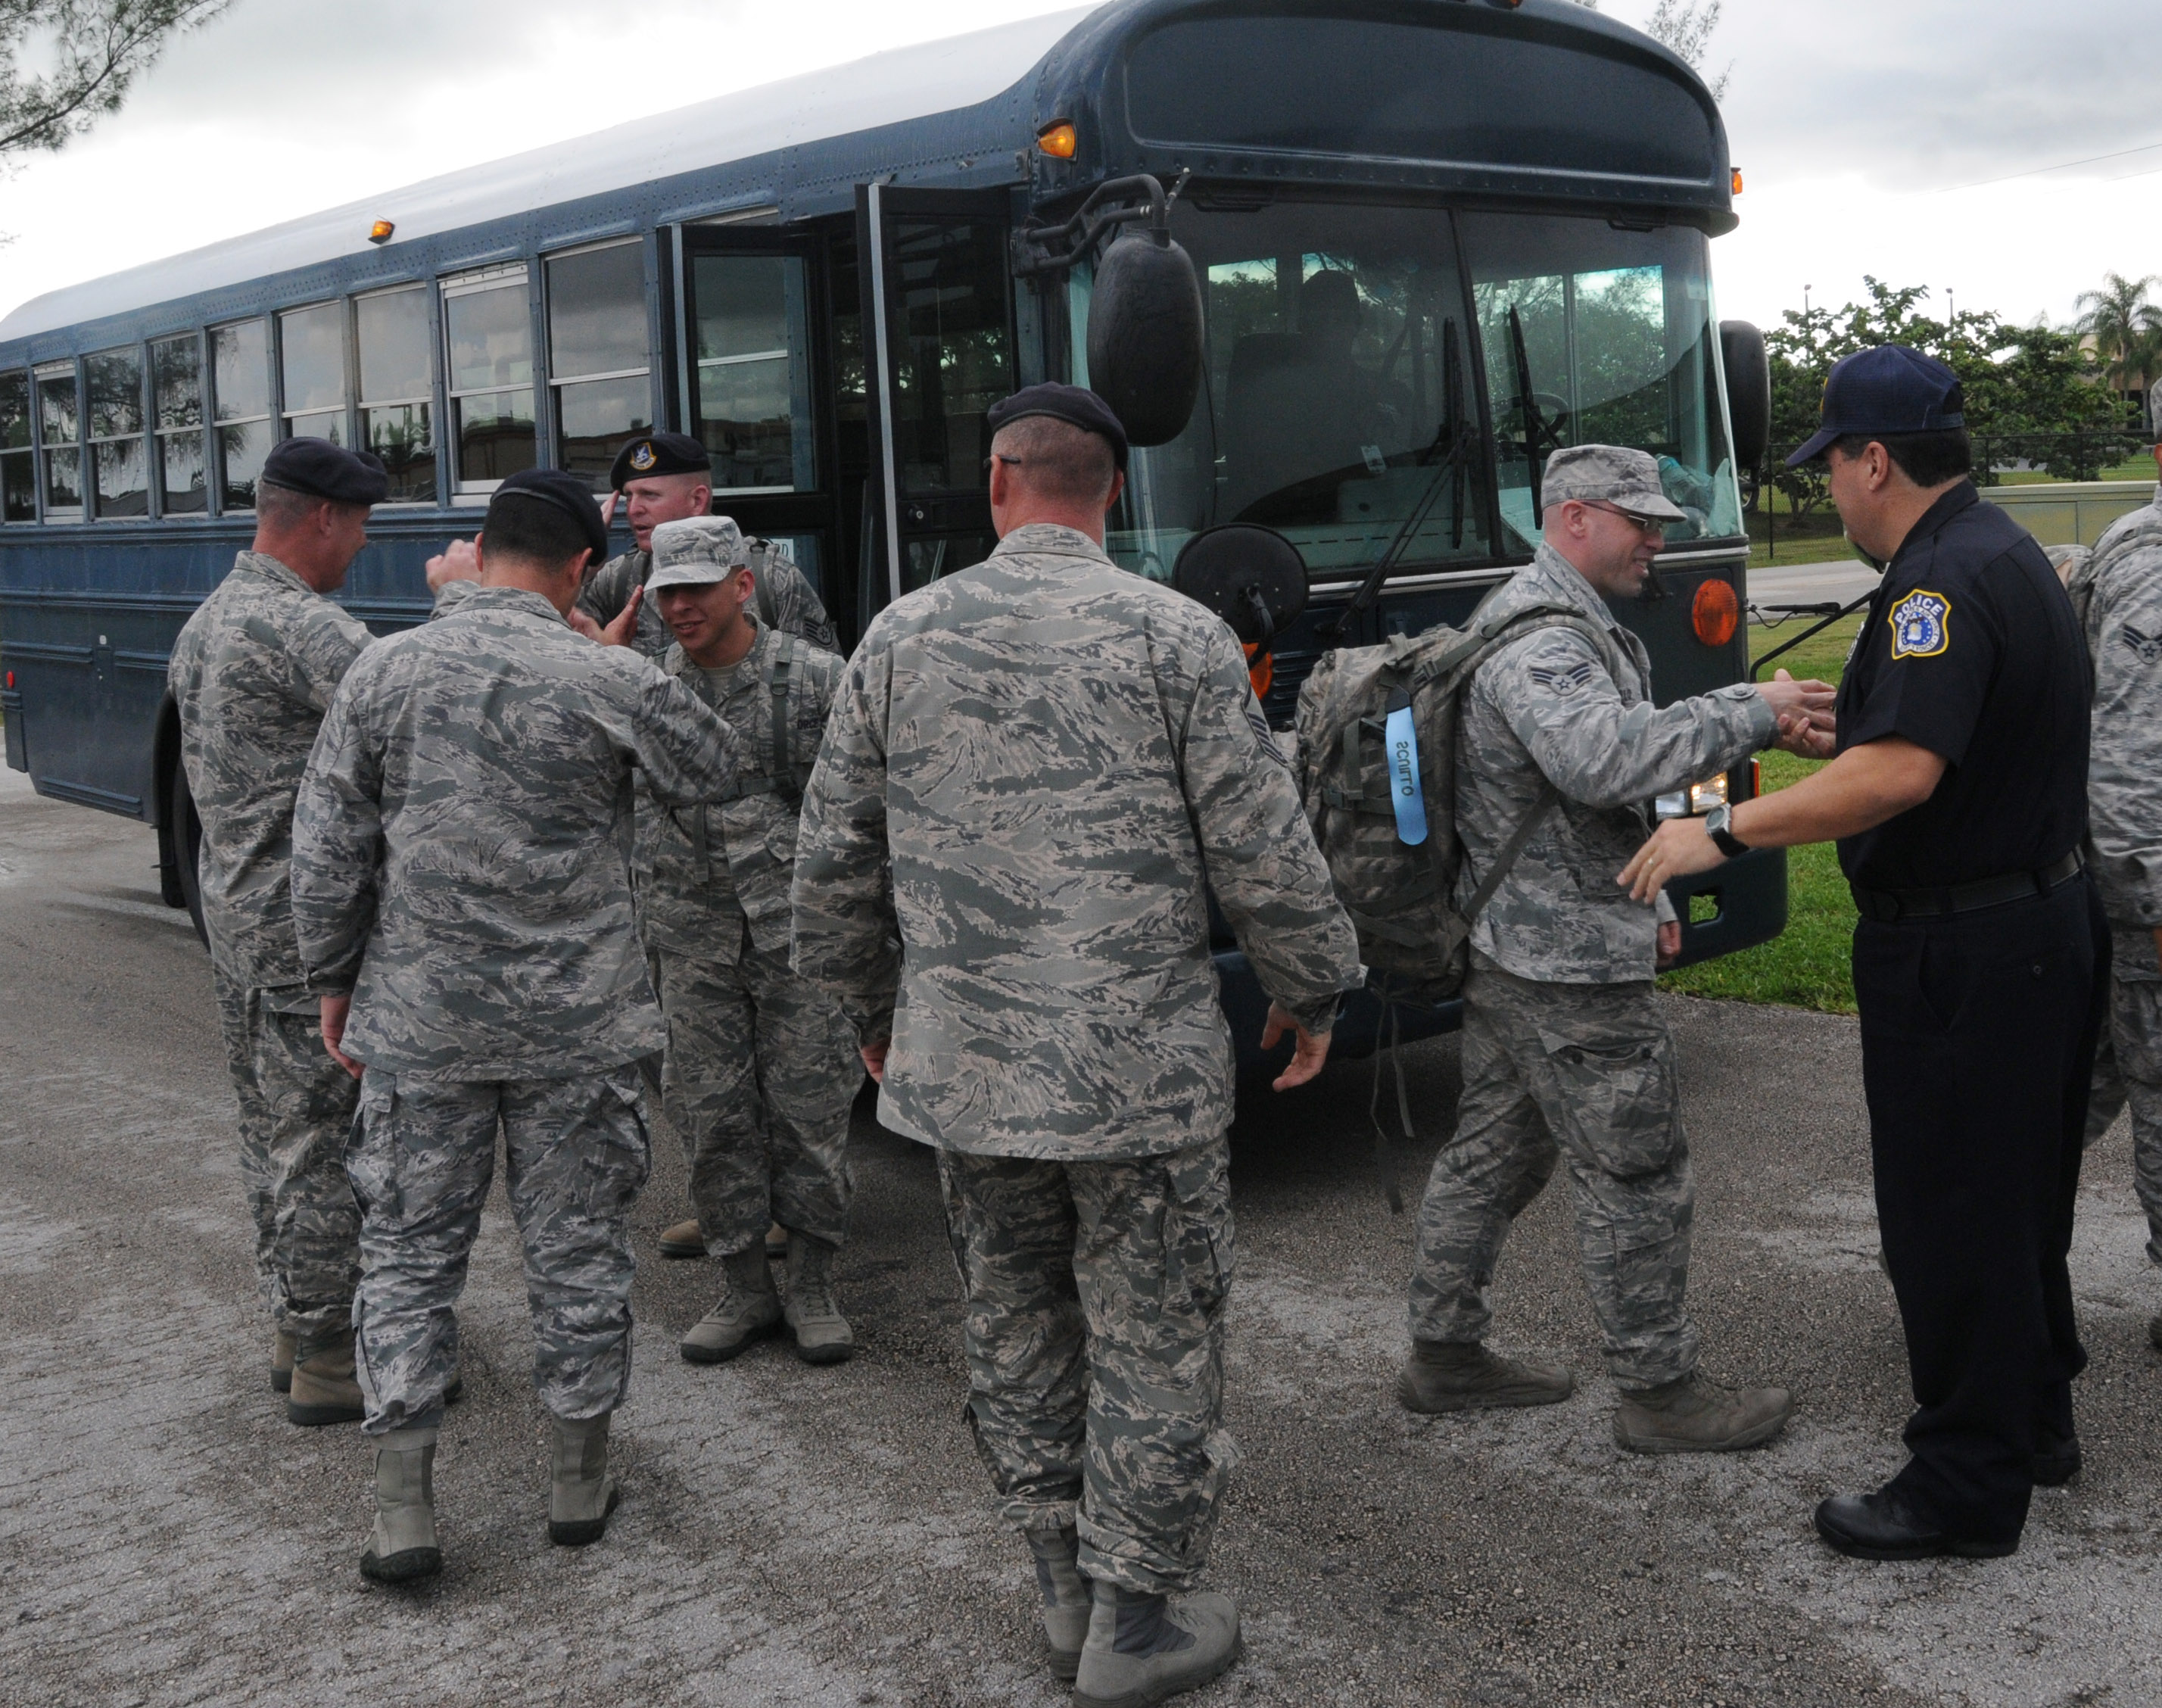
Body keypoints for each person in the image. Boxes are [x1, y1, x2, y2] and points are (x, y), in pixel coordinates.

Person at [792, 382, 1363, 1704]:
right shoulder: (1177, 635)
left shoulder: (897, 636)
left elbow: (829, 867)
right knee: (1154, 1332)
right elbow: (1262, 846)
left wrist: (874, 1012)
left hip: (969, 1081)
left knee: (1014, 1325)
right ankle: (1136, 1617)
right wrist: (1313, 987)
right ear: (1112, 493)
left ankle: (1059, 1590)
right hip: (1137, 1084)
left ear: (999, 484)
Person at [1624, 345, 2105, 1560]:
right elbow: (1942, 740)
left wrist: (1718, 830)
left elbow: (1903, 774)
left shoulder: (1934, 586)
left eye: (1833, 461)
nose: (1830, 486)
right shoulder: (1997, 554)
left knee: (1950, 1212)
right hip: (2037, 925)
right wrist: (1857, 740)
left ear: (1875, 458)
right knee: (2017, 1198)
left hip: (1964, 951)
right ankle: (2030, 1421)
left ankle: (1963, 1481)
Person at [290, 468, 742, 1583]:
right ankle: (576, 1485)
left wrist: (334, 979)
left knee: (404, 1256)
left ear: (480, 548)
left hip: (421, 1021)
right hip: (575, 1030)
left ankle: (403, 1512)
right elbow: (716, 770)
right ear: (583, 569)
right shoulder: (603, 674)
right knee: (579, 1252)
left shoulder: (382, 669)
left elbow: (328, 852)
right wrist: (609, 656)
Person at [1398, 443, 1827, 1455]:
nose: (1659, 540)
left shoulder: (1556, 620)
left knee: (1492, 1157)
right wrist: (1751, 708)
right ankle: (1661, 1392)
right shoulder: (1540, 640)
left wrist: (1653, 887)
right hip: (1565, 967)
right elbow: (1602, 760)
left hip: (1529, 944)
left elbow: (1577, 797)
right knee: (1636, 1169)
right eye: (1640, 521)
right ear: (1574, 517)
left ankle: (1444, 1353)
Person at [167, 438, 389, 1426]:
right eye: (362, 526)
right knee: (328, 1147)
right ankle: (334, 1358)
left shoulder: (207, 623)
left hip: (237, 928)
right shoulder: (308, 630)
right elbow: (413, 714)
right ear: (322, 520)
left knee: (270, 1136)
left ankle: (294, 1329)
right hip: (308, 938)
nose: (364, 546)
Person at [632, 515, 862, 1367]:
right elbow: (628, 820)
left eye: (696, 588)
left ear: (743, 585)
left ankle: (811, 1284)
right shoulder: (646, 691)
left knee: (810, 1110)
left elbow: (854, 820)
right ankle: (743, 1288)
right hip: (688, 939)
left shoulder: (817, 683)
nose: (680, 607)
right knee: (710, 1113)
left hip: (798, 942)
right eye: (667, 592)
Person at [2058, 447, 2162, 1354]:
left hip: (2114, 895)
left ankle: (1964, 1249)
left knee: (2070, 1086)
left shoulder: (2128, 541)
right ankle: (1965, 1254)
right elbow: (2129, 768)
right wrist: (2149, 912)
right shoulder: (2154, 567)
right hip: (2147, 905)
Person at [577, 430, 837, 659]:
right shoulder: (620, 578)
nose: (633, 510)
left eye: (650, 495)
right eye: (629, 496)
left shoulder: (768, 575)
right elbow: (549, 644)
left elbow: (824, 685)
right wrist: (585, 563)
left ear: (697, 501)